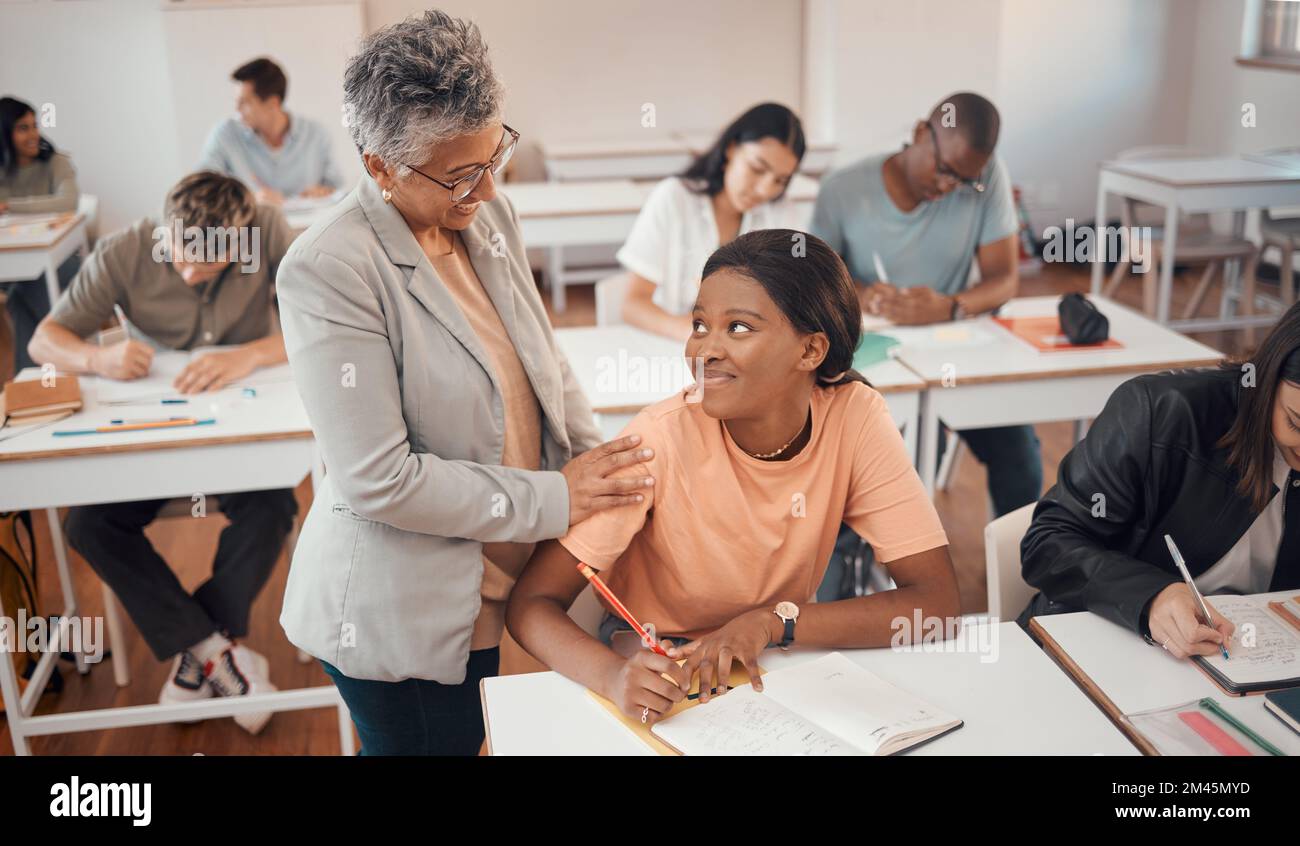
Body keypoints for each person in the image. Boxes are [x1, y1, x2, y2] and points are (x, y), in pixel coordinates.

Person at [274, 10, 651, 756]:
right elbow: (381, 480)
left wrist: (600, 466)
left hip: (503, 569)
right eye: (458, 174)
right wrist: (562, 496)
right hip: (403, 605)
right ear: (378, 164)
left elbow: (546, 359)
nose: (482, 189)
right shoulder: (330, 268)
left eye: (493, 157)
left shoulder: (486, 215)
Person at [507, 229, 960, 726]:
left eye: (739, 328)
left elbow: (936, 603)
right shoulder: (658, 441)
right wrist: (614, 676)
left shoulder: (856, 416)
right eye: (699, 324)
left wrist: (771, 624)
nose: (705, 349)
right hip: (658, 663)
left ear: (810, 351)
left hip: (779, 655)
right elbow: (532, 603)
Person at [27, 171, 297, 733]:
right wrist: (98, 359)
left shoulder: (269, 229)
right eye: (181, 257)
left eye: (210, 263)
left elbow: (326, 320)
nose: (192, 273)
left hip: (235, 426)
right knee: (89, 527)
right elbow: (44, 339)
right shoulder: (126, 248)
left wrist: (250, 354)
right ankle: (213, 649)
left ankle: (197, 652)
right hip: (148, 430)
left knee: (272, 507)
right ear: (165, 231)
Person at [811, 91, 1038, 600]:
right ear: (919, 133)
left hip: (959, 358)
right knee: (869, 469)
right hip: (877, 366)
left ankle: (1030, 590)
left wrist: (950, 306)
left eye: (964, 180)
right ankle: (853, 595)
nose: (949, 186)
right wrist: (860, 293)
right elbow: (813, 280)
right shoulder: (844, 189)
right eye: (944, 170)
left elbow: (1003, 280)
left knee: (1020, 456)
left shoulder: (987, 175)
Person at [1019, 300, 1300, 658]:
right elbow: (1047, 544)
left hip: (1249, 661)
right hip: (1104, 645)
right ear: (1268, 376)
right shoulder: (1162, 412)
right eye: (1296, 423)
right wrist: (1152, 597)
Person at [619, 102, 806, 340]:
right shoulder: (673, 199)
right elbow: (632, 304)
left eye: (780, 180)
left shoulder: (782, 214)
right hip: (673, 347)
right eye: (757, 168)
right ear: (731, 148)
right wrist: (692, 332)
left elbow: (799, 295)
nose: (764, 190)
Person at [0, 96, 80, 375]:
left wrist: (10, 206)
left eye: (34, 126)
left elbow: (67, 203)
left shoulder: (56, 162)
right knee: (23, 285)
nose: (34, 134)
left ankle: (33, 378)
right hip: (11, 267)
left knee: (25, 287)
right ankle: (59, 361)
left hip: (60, 260)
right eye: (23, 128)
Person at [198, 57, 341, 205]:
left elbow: (337, 191)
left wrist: (323, 192)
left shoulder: (316, 135)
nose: (237, 109)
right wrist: (247, 199)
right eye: (236, 101)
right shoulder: (225, 134)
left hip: (308, 226)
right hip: (253, 227)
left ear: (272, 103)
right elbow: (201, 190)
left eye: (245, 102)